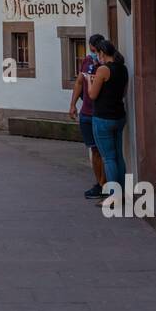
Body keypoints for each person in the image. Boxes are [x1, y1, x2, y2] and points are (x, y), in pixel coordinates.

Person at [84, 40, 129, 203]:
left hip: (103, 117)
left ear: (102, 53)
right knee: (118, 155)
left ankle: (113, 195)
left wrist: (90, 80)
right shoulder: (123, 69)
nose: (97, 56)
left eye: (97, 53)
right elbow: (124, 93)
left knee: (108, 158)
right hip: (119, 116)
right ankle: (122, 192)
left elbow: (92, 95)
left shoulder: (103, 70)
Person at [70, 33, 106, 199]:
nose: (92, 54)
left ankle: (105, 185)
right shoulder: (86, 61)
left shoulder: (106, 65)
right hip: (86, 112)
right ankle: (99, 183)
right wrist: (73, 104)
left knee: (103, 152)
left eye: (94, 51)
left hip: (100, 113)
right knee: (94, 150)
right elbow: (79, 82)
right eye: (91, 50)